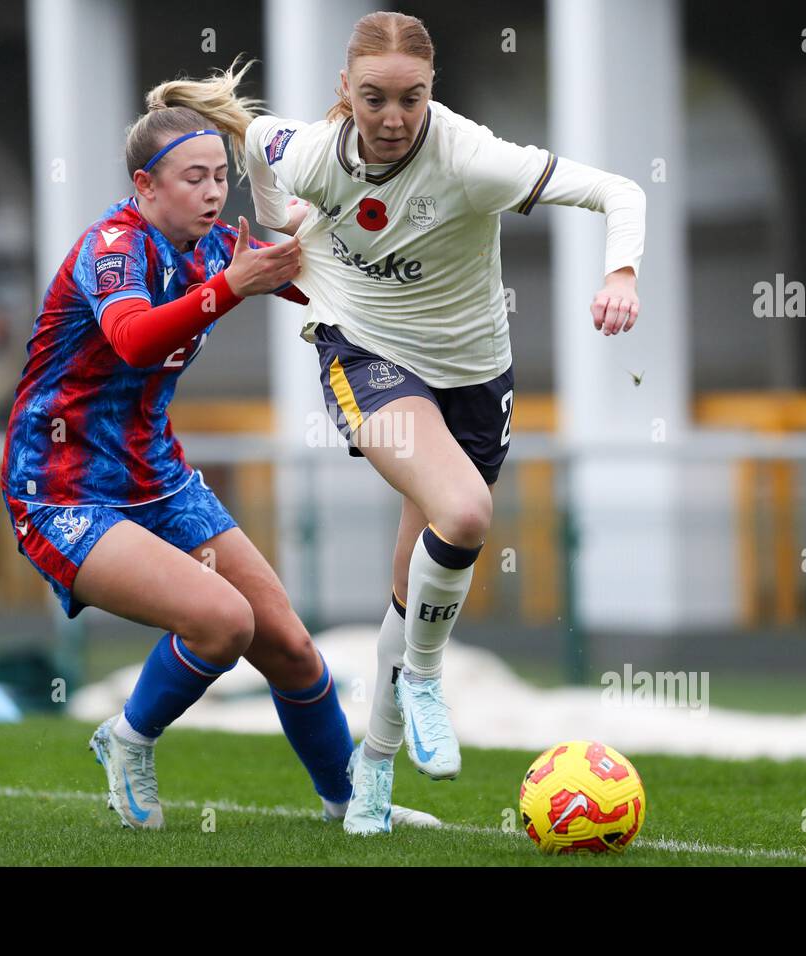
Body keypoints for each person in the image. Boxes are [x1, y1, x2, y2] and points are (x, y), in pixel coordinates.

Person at [0, 58, 437, 832]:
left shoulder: (212, 247)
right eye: (193, 178)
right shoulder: (113, 247)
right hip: (62, 490)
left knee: (294, 650)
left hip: (159, 480)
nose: (211, 192)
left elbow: (332, 282)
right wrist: (237, 284)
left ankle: (351, 805)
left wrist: (386, 249)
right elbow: (133, 339)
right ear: (145, 187)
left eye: (218, 177)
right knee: (221, 623)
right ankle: (126, 739)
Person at [240, 12, 647, 834]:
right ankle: (427, 681)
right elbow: (255, 145)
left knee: (412, 582)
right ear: (343, 94)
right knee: (464, 512)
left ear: (434, 93)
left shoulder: (471, 158)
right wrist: (280, 223)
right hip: (362, 354)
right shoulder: (312, 151)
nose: (393, 119)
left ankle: (376, 771)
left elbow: (620, 191)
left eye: (412, 99)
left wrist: (623, 274)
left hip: (474, 378)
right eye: (374, 98)